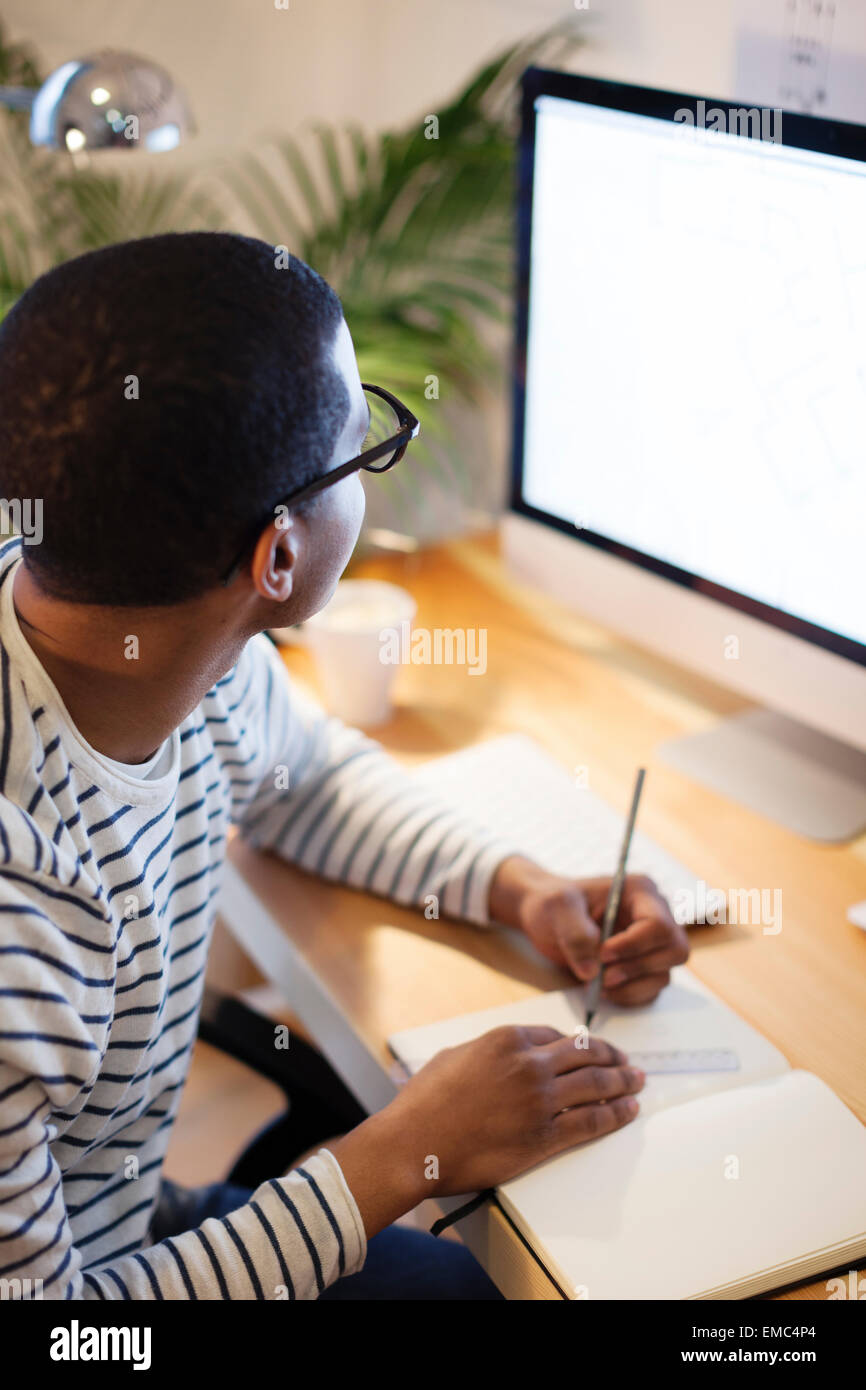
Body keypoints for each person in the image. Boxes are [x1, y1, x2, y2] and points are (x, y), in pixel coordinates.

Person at [0, 233, 689, 1300]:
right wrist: (404, 1152)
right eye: (362, 442)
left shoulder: (162, 644)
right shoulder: (23, 921)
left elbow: (306, 781)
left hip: (118, 1214)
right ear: (276, 556)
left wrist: (520, 886)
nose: (375, 459)